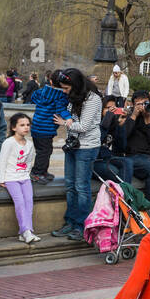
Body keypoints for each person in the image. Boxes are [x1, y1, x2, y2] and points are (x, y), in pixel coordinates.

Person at [50, 68, 103, 241]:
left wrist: (64, 122)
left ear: (76, 85)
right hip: (73, 144)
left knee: (81, 187)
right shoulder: (74, 97)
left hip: (87, 147)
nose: (65, 92)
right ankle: (70, 222)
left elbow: (84, 126)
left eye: (66, 88)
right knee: (70, 185)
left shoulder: (93, 99)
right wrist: (69, 121)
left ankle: (82, 226)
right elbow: (73, 120)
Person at [0, 113, 39, 244]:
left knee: (29, 202)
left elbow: (28, 161)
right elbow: (2, 161)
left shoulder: (29, 144)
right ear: (14, 127)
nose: (26, 127)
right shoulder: (8, 142)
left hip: (25, 178)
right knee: (20, 203)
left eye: (28, 125)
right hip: (11, 179)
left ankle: (26, 232)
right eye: (22, 125)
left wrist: (26, 173)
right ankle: (26, 231)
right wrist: (1, 179)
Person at [27, 71, 67, 185]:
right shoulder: (62, 96)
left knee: (43, 151)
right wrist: (68, 118)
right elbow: (61, 110)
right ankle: (36, 173)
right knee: (44, 152)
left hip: (37, 127)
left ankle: (43, 171)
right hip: (46, 129)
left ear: (50, 81)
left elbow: (33, 97)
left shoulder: (42, 91)